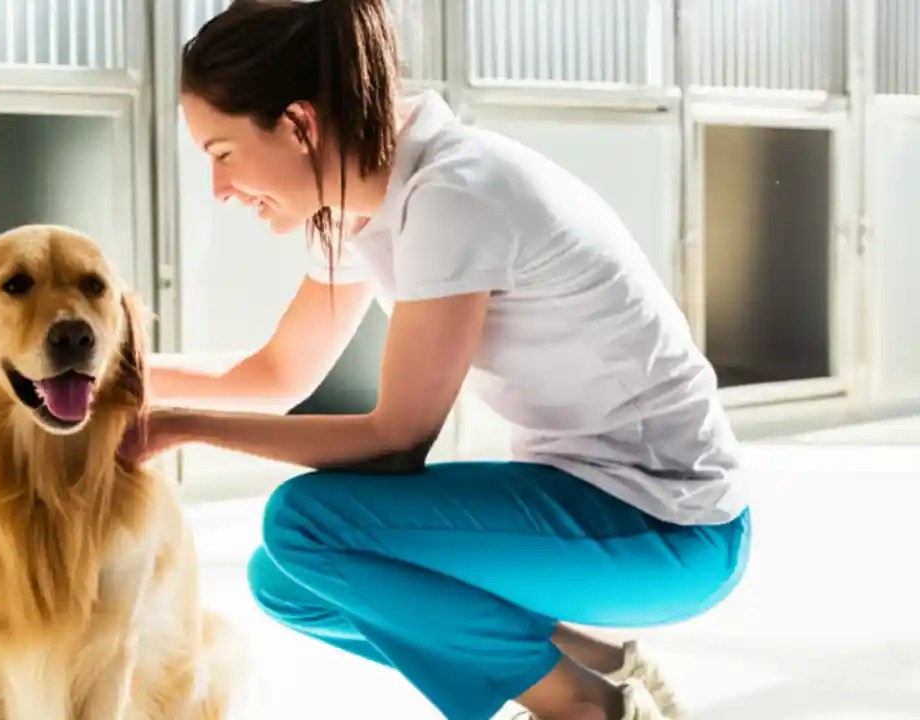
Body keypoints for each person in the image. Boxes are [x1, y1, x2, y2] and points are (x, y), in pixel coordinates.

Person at [125, 1, 752, 719]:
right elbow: (275, 376)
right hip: (590, 501)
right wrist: (104, 384)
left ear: (300, 124)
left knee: (304, 526)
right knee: (288, 580)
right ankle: (608, 668)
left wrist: (174, 427)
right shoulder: (358, 210)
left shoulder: (454, 193)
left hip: (675, 530)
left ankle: (589, 709)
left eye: (222, 154)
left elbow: (397, 440)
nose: (220, 189)